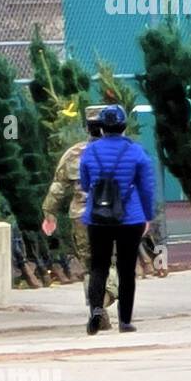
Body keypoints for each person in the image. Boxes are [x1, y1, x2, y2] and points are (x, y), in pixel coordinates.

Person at [78, 105, 155, 335]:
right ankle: (125, 320)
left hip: (97, 217)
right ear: (123, 127)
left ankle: (96, 311)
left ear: (101, 128)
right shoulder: (136, 152)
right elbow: (147, 188)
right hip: (129, 218)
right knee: (126, 269)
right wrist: (147, 215)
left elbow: (84, 183)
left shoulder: (90, 152)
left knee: (98, 266)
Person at [42, 105, 118, 319]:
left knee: (90, 264)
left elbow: (58, 187)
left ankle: (96, 307)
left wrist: (49, 213)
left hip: (81, 217)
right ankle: (103, 299)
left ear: (87, 127)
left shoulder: (74, 154)